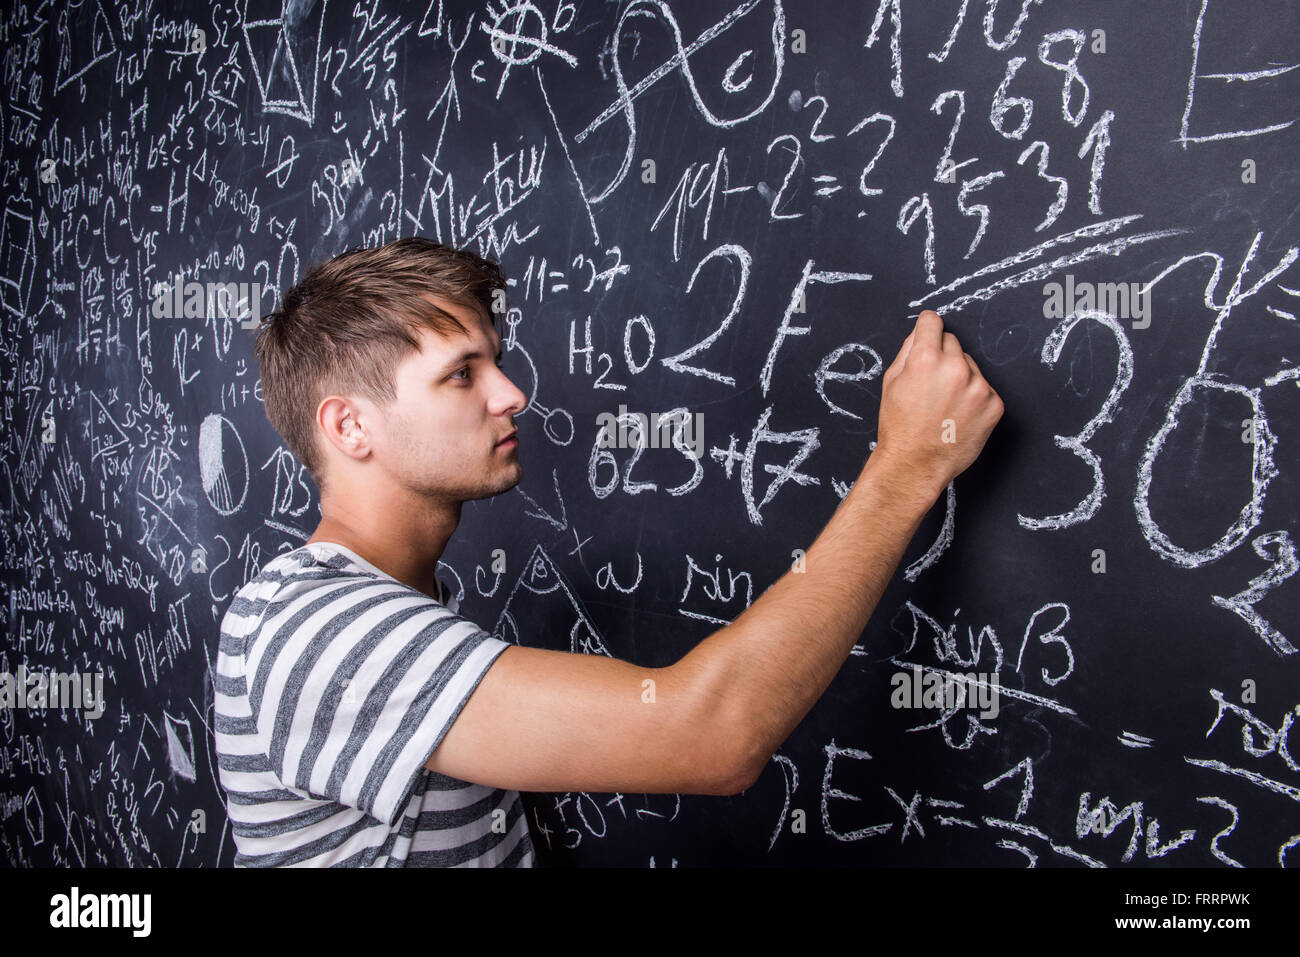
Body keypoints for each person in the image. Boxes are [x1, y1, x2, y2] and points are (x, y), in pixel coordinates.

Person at [213, 237, 1003, 867]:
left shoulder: (384, 608)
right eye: (461, 374)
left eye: (495, 360)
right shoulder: (321, 628)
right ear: (350, 426)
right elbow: (710, 734)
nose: (511, 393)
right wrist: (907, 465)